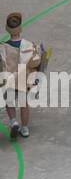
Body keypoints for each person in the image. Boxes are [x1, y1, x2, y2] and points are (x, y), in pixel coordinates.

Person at [2, 12, 43, 140]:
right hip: (23, 79)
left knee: (9, 101)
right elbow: (36, 62)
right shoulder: (29, 45)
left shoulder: (2, 47)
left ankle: (13, 121)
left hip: (9, 79)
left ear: (8, 29)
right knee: (24, 103)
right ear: (20, 28)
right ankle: (24, 128)